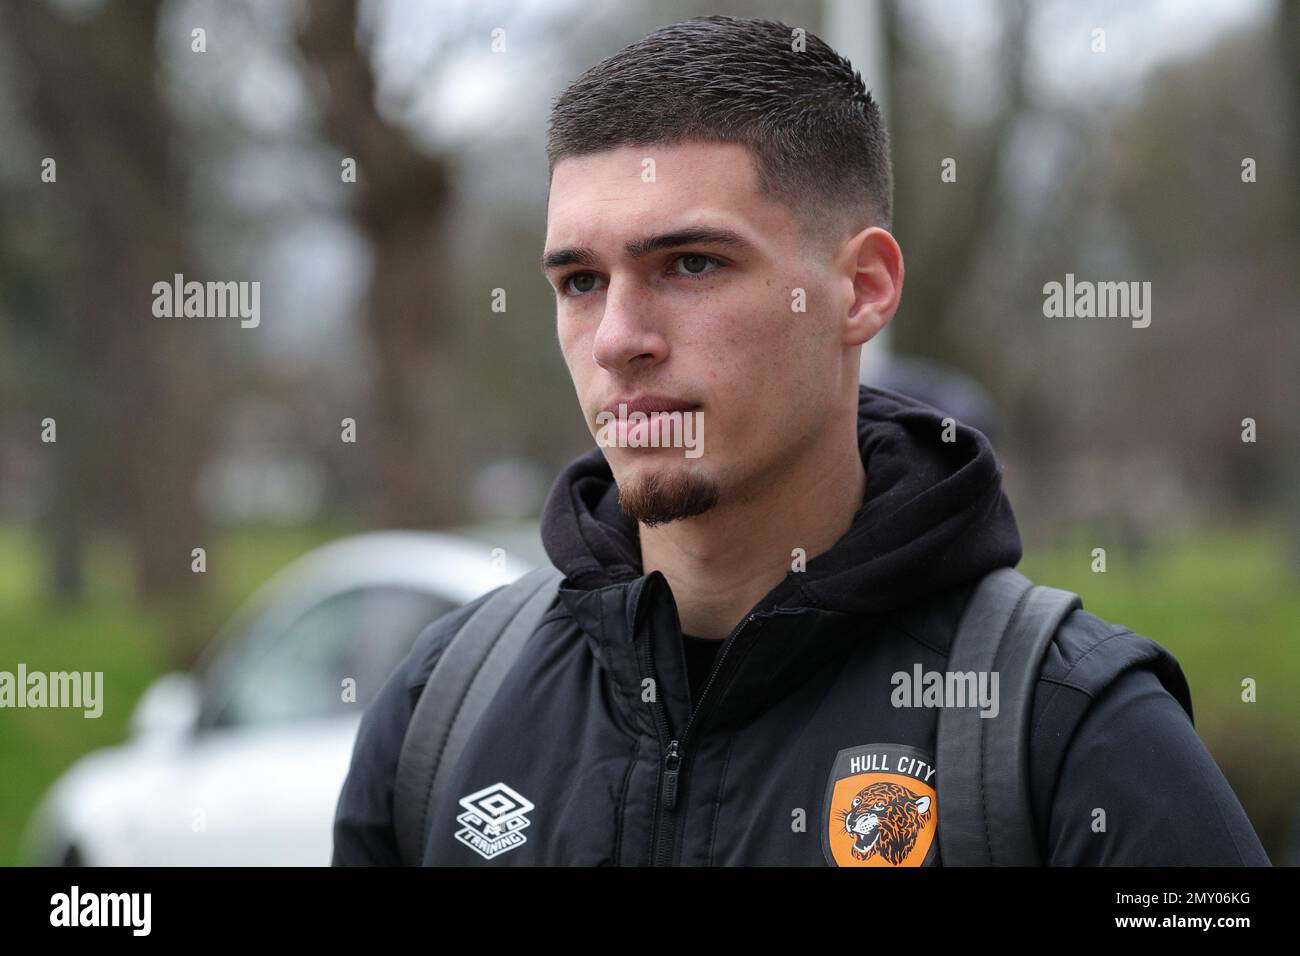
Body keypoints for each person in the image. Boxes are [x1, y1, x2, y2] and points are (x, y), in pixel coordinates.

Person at [332, 15, 1269, 866]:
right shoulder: (443, 709)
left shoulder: (1065, 730)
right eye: (580, 281)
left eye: (691, 263)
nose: (618, 338)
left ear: (862, 288)